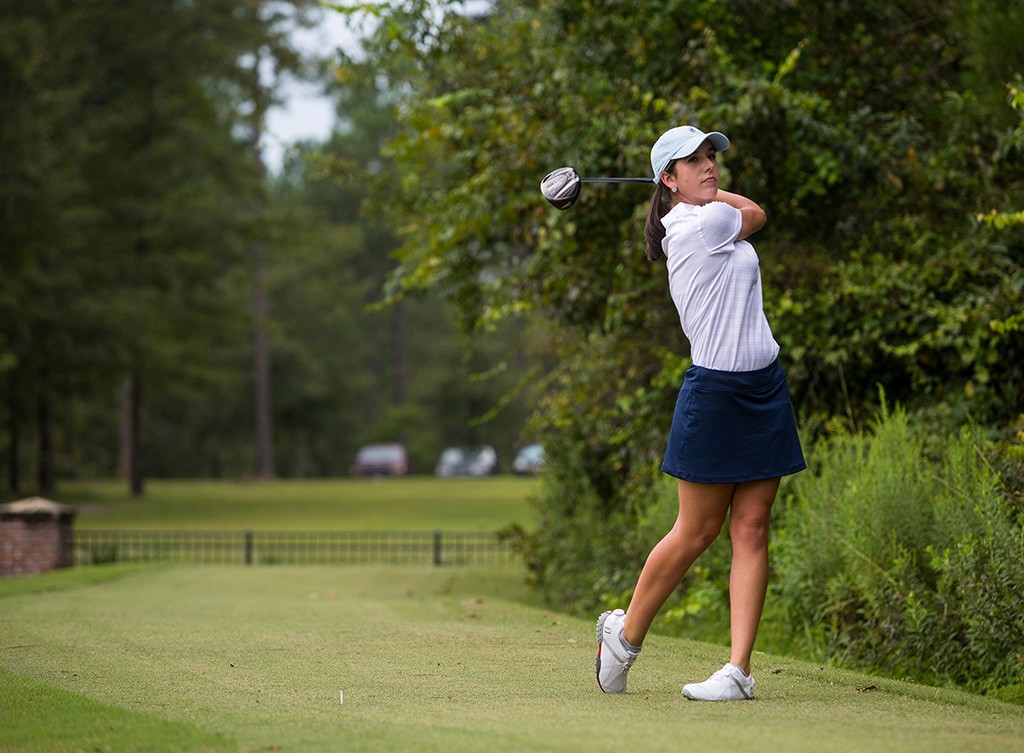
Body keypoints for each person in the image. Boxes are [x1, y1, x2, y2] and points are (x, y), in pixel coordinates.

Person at [595, 125, 806, 701]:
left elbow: (746, 212)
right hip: (715, 393)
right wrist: (709, 197)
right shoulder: (696, 224)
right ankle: (624, 638)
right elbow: (757, 212)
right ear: (668, 178)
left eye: (711, 156)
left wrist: (701, 190)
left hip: (764, 387)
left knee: (753, 527)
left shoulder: (704, 213)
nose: (710, 166)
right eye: (694, 161)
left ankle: (737, 671)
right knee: (696, 530)